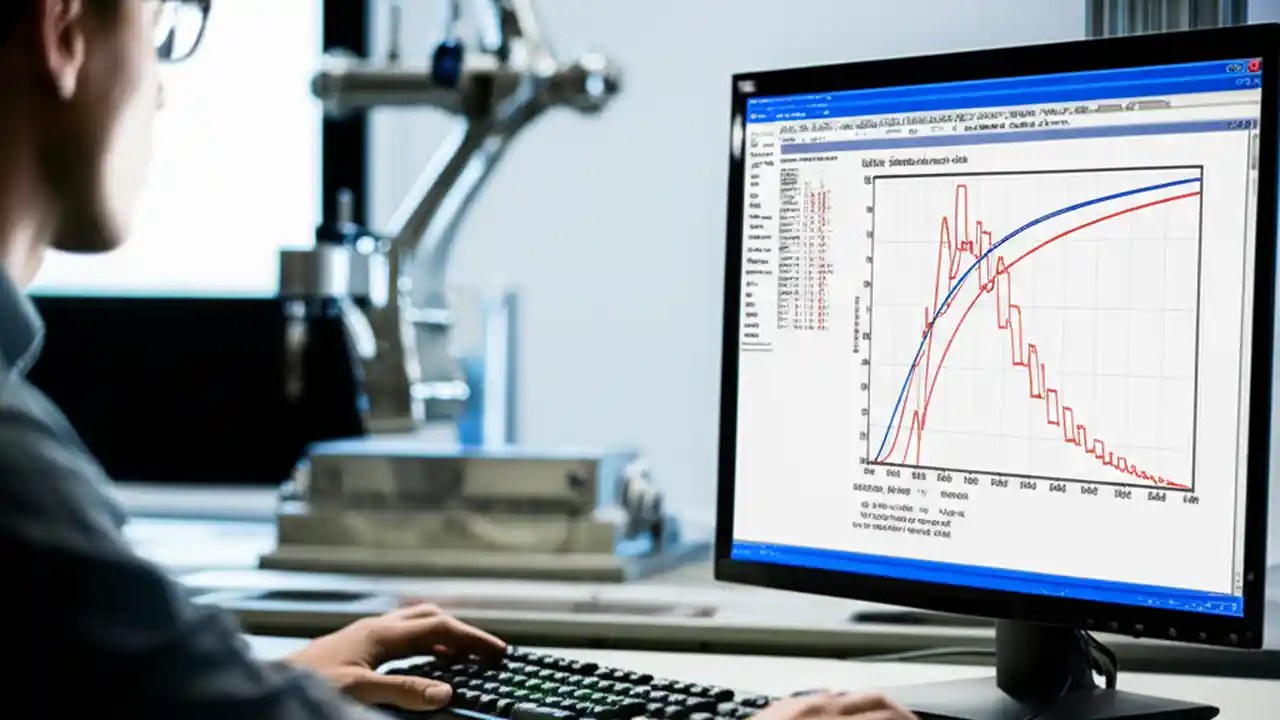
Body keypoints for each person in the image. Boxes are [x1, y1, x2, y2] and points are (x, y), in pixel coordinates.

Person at [0, 1, 918, 718]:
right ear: (65, 27)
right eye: (164, 25)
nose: (162, 89)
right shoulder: (15, 468)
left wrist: (266, 688)